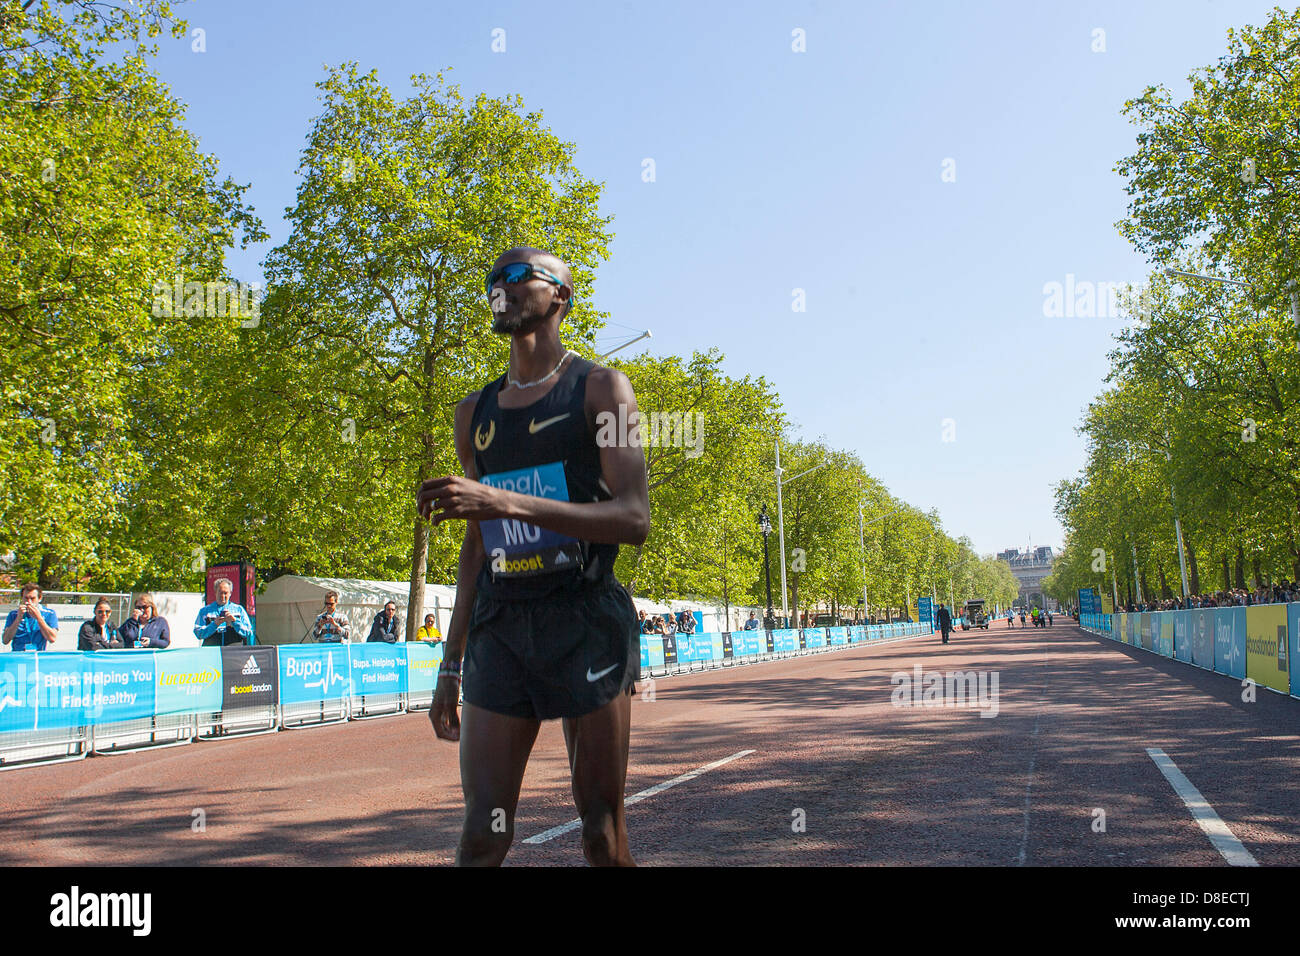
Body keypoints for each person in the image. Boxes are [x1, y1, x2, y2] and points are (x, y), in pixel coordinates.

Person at [416, 245, 649, 867]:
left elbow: (634, 517)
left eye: (520, 277)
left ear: (560, 298)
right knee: (482, 835)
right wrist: (451, 660)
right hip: (502, 626)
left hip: (584, 621)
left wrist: (507, 500)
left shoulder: (602, 388)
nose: (503, 286)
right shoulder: (474, 413)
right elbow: (475, 541)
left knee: (601, 832)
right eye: (494, 279)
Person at [194, 578, 253, 646]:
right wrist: (214, 624)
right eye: (220, 592)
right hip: (212, 652)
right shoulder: (205, 611)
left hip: (234, 653)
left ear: (230, 593)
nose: (223, 596)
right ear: (215, 592)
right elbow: (198, 633)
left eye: (225, 593)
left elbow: (248, 632)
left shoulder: (239, 610)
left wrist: (234, 621)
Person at [3, 583, 58, 651]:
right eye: (26, 598)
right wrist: (18, 619)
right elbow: (5, 640)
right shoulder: (13, 614)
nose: (28, 602)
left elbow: (52, 639)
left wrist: (38, 618)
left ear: (39, 598)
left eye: (32, 598)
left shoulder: (49, 613)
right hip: (18, 656)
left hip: (37, 655)